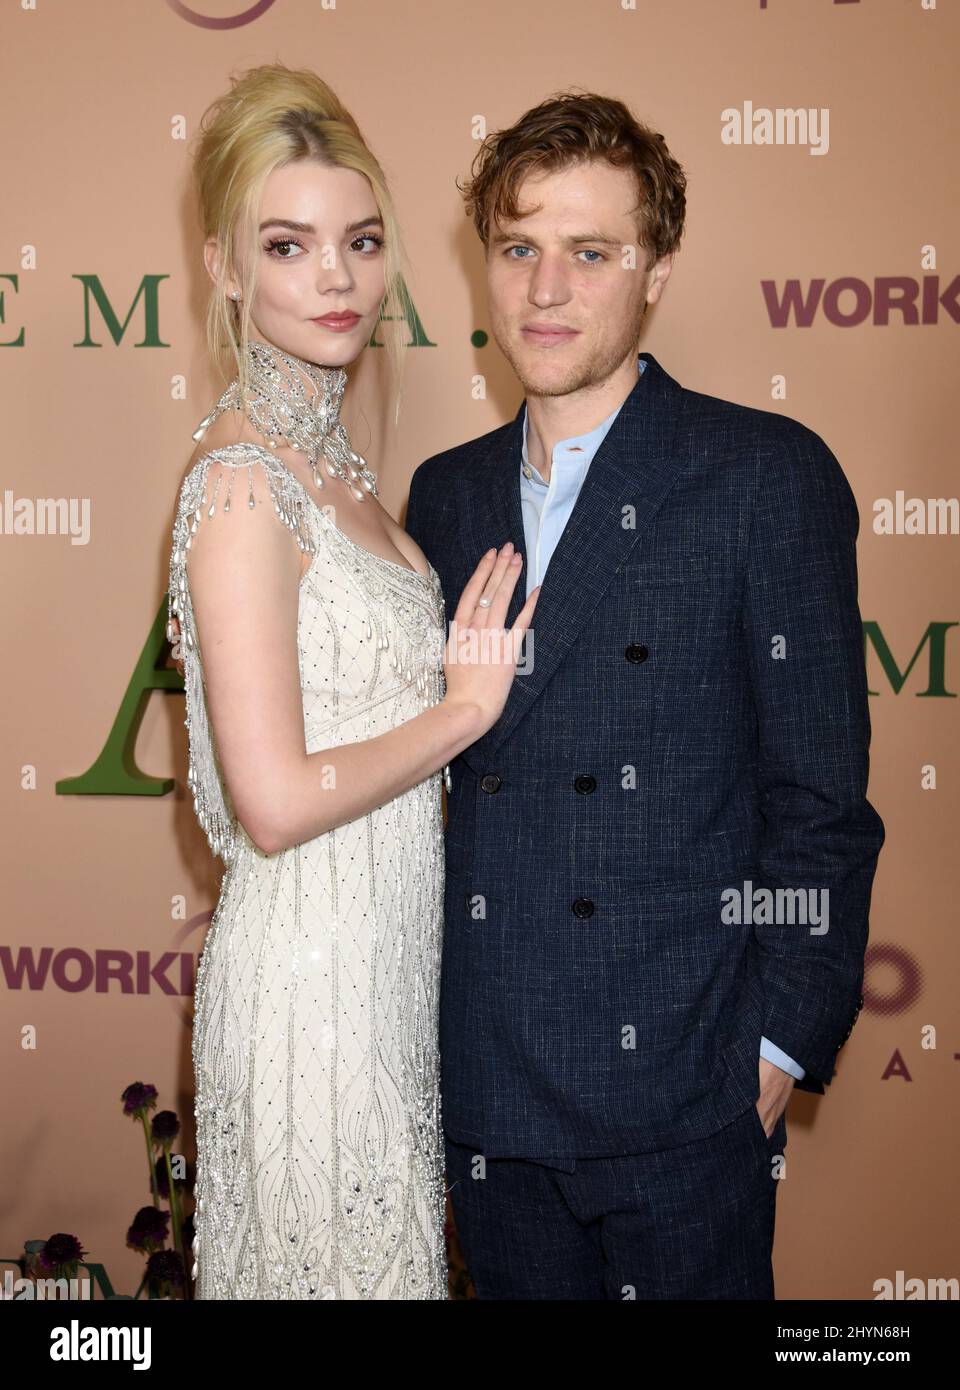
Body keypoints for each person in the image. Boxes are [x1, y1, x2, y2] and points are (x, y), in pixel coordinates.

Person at [404, 91, 886, 1299]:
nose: (548, 289)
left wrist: (775, 1048)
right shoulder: (444, 495)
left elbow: (820, 804)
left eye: (592, 251)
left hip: (686, 1100)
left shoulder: (764, 476)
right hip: (492, 1091)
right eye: (519, 249)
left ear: (657, 268)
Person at [166, 63, 538, 1299]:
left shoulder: (334, 467)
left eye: (361, 241)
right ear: (226, 265)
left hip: (382, 989)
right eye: (290, 243)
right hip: (308, 1008)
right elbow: (268, 800)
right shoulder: (240, 485)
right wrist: (463, 711)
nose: (336, 277)